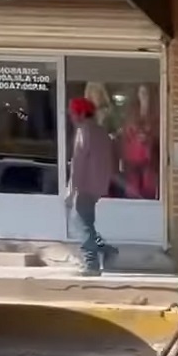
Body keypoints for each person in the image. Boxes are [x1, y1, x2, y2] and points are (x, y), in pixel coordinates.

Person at [66, 97, 118, 276]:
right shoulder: (101, 131)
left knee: (80, 224)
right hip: (98, 185)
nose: (71, 116)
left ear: (81, 114)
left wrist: (72, 189)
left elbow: (78, 163)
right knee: (87, 223)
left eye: (73, 113)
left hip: (85, 185)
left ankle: (92, 263)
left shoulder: (84, 131)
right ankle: (106, 250)